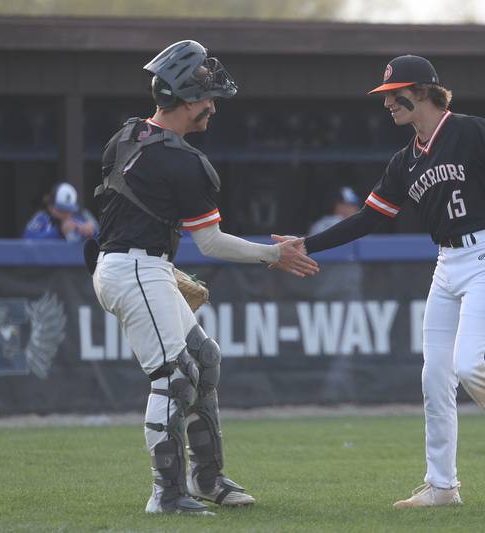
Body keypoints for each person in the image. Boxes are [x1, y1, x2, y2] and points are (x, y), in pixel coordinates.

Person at [276, 55, 485, 509]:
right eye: (386, 96)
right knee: (435, 376)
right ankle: (442, 486)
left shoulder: (468, 128)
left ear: (424, 91)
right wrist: (307, 243)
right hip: (447, 263)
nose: (388, 103)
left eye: (395, 94)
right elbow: (368, 218)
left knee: (471, 365)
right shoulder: (404, 160)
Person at [90, 40, 318, 515]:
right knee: (174, 377)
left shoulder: (127, 135)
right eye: (206, 96)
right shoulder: (183, 160)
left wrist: (159, 264)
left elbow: (121, 210)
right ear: (183, 96)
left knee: (203, 358)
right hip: (134, 267)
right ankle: (167, 495)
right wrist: (273, 254)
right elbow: (211, 243)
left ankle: (208, 479)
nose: (213, 105)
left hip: (133, 263)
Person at [23, 182, 99, 241]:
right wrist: (59, 231)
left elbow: (100, 238)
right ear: (51, 207)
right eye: (62, 210)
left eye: (69, 210)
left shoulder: (77, 220)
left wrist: (91, 232)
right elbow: (27, 241)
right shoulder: (41, 218)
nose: (67, 214)